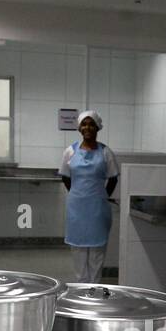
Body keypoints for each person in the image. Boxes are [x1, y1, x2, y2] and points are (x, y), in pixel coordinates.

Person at [58, 110, 119, 283]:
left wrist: (100, 196)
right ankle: (81, 291)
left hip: (98, 209)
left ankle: (95, 290)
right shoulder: (70, 151)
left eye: (91, 124)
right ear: (79, 127)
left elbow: (113, 178)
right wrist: (78, 193)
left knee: (97, 253)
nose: (88, 127)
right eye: (84, 124)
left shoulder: (106, 152)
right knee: (78, 251)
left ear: (98, 127)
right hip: (76, 208)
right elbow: (65, 177)